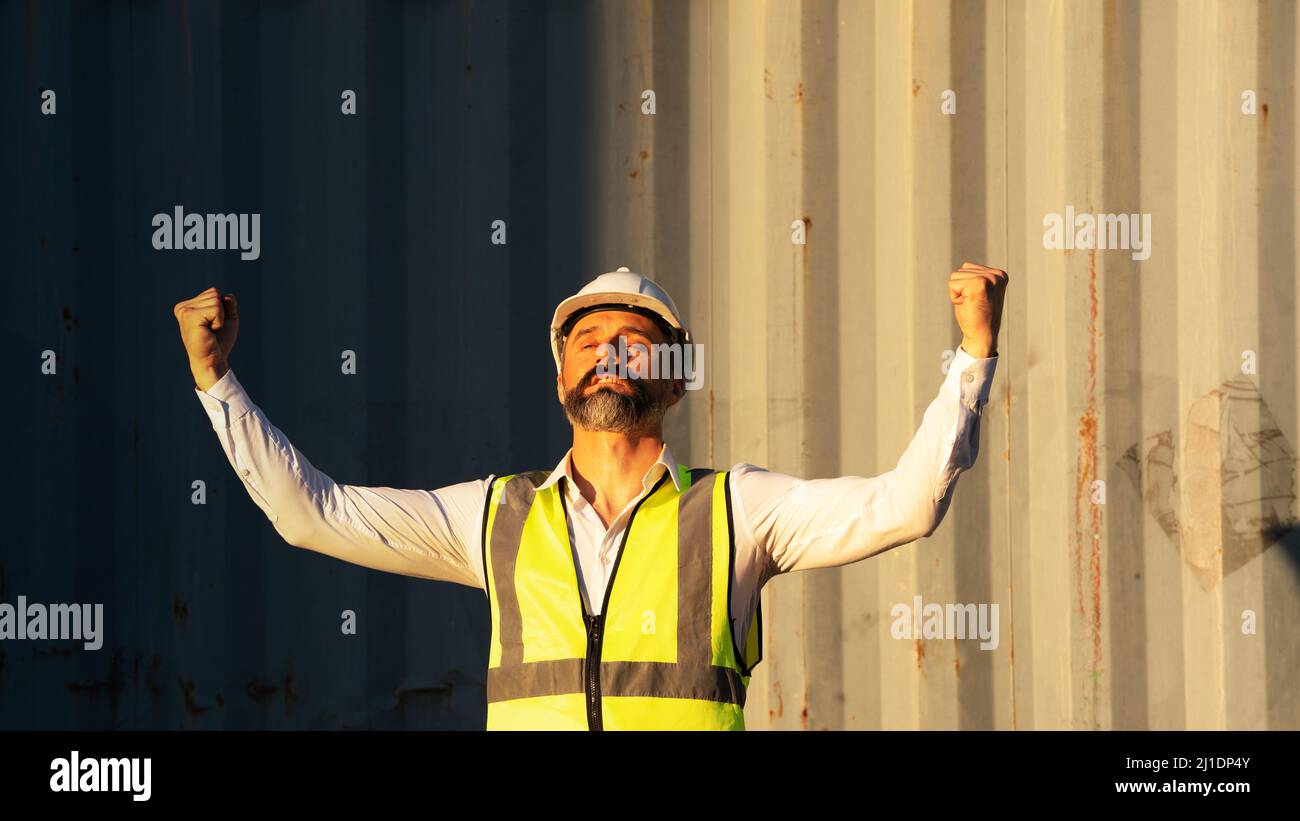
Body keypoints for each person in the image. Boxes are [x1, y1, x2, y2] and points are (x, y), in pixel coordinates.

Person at [172, 262, 1007, 730]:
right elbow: (310, 513)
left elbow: (907, 504)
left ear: (676, 381)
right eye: (588, 340)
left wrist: (973, 353)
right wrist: (218, 382)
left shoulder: (737, 512)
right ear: (562, 374)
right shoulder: (495, 517)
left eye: (635, 343)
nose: (609, 354)